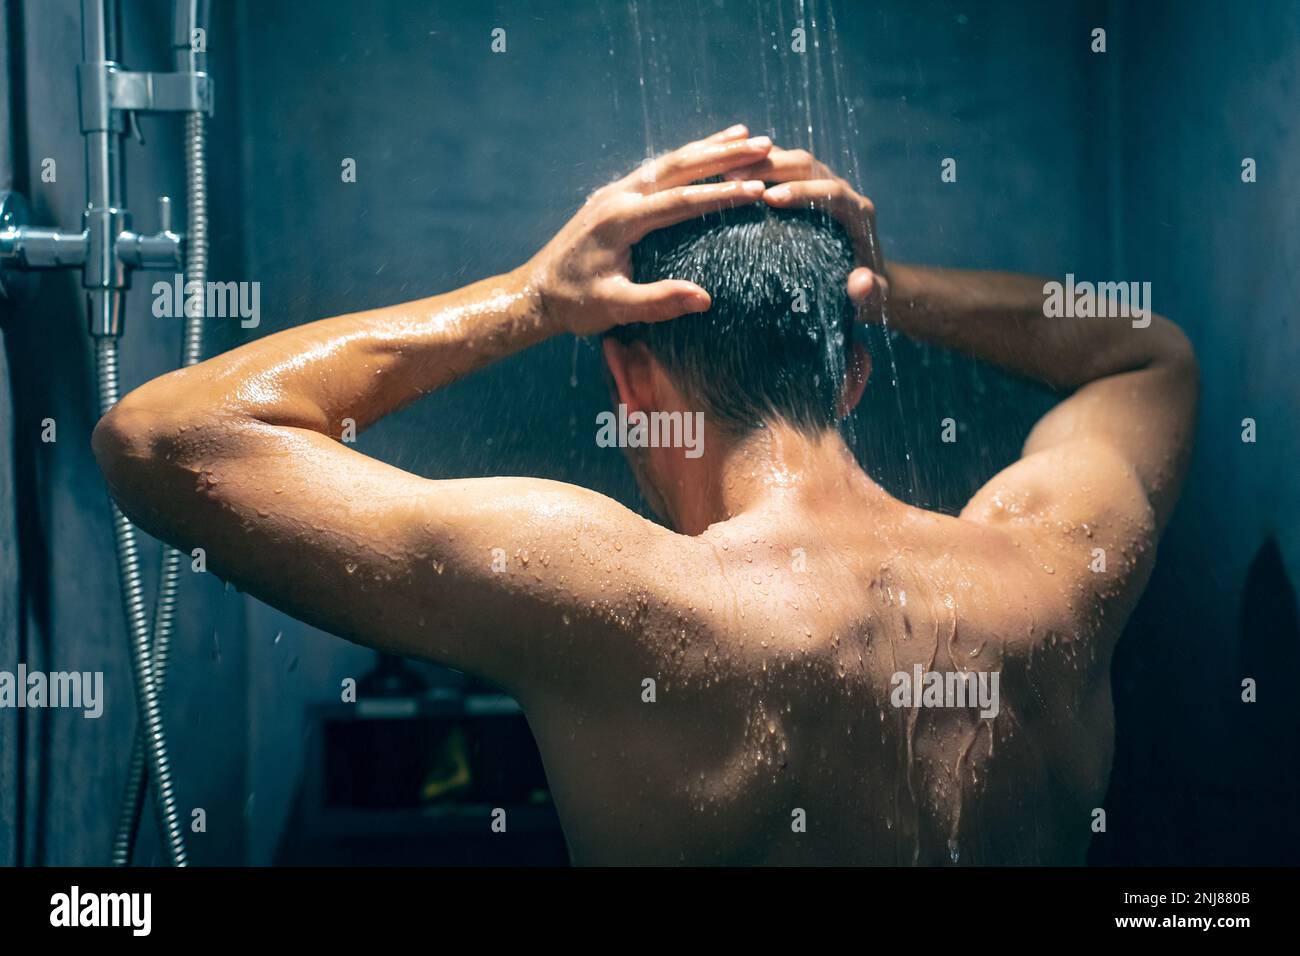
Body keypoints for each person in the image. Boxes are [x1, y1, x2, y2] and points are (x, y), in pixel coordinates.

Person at [92, 125, 1198, 864]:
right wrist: (880, 288)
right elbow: (1143, 352)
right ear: (852, 371)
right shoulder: (1054, 567)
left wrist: (528, 297)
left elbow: (161, 436)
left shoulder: (619, 592)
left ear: (629, 377)